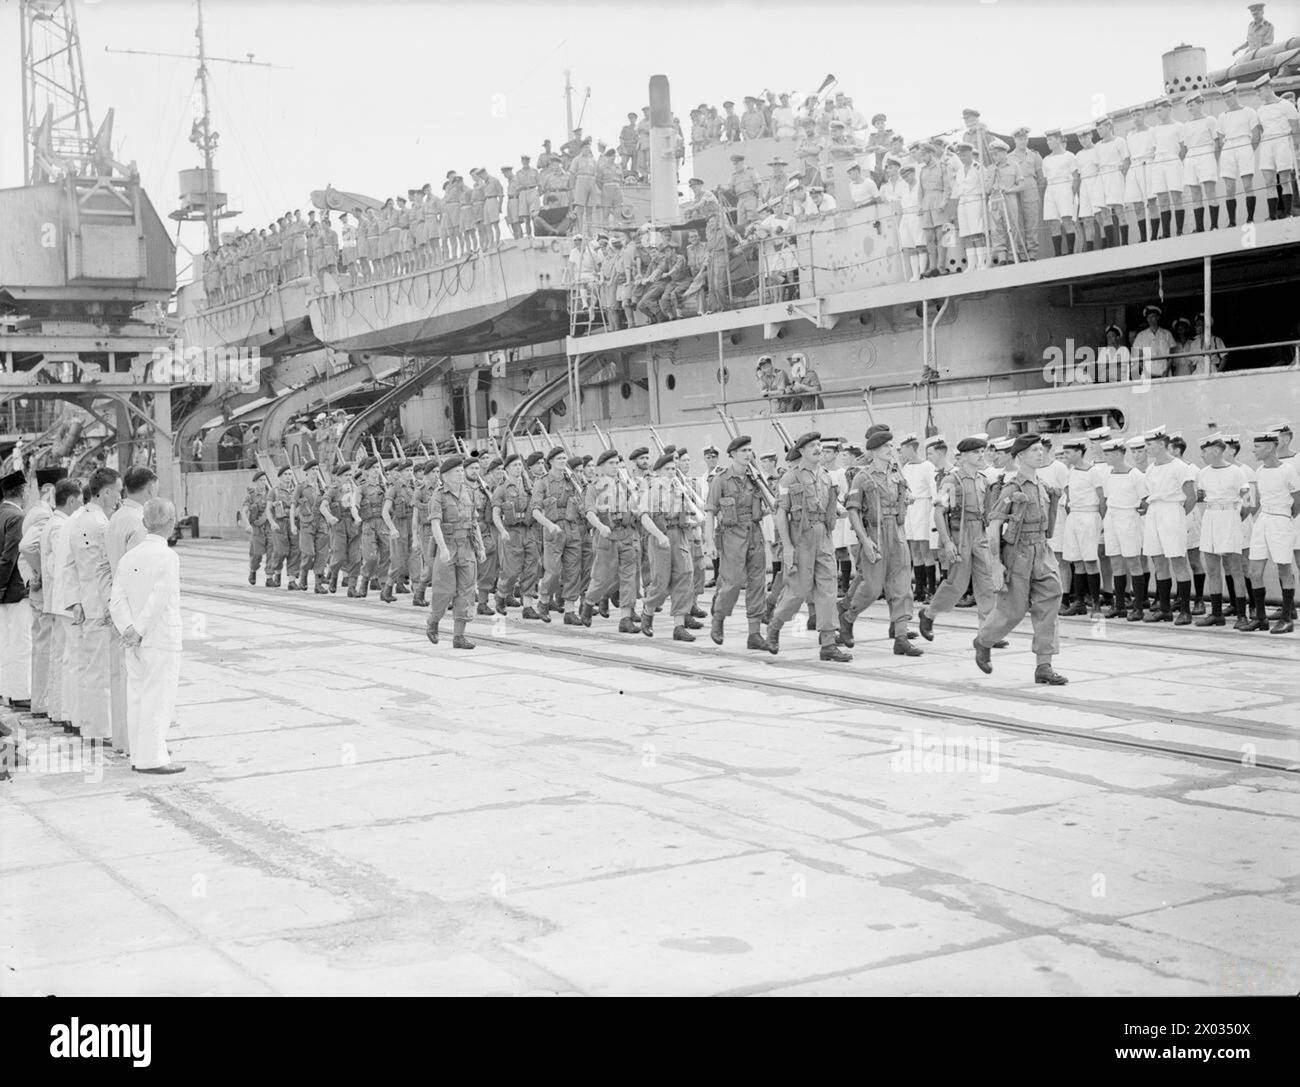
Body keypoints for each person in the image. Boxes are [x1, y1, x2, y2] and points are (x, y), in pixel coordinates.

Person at [972, 433, 1066, 684]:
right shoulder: (1011, 488)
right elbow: (994, 527)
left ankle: (1044, 665)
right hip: (1018, 554)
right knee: (1012, 611)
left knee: (1050, 602)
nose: (1040, 453)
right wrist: (996, 564)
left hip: (1042, 551)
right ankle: (984, 640)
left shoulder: (1043, 486)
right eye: (1034, 450)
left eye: (1041, 449)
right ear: (1021, 456)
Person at [108, 498, 185, 773]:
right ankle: (153, 758)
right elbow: (159, 598)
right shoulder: (168, 557)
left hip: (134, 641)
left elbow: (116, 599)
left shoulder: (130, 557)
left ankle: (139, 755)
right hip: (159, 637)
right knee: (159, 697)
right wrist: (138, 630)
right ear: (172, 523)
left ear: (144, 523)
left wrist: (128, 629)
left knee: (138, 696)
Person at [765, 432, 850, 661]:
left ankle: (828, 644)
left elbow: (832, 502)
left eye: (819, 445)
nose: (817, 449)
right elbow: (781, 514)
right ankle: (774, 626)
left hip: (823, 536)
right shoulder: (789, 478)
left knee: (828, 589)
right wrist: (788, 546)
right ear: (801, 451)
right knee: (798, 591)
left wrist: (840, 509)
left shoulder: (826, 476)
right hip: (800, 537)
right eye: (812, 445)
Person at [838, 428, 924, 655]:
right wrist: (865, 541)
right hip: (875, 534)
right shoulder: (862, 477)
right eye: (886, 447)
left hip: (897, 532)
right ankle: (848, 618)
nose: (891, 450)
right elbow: (853, 511)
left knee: (902, 587)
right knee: (872, 587)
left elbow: (905, 496)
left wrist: (907, 498)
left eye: (891, 447)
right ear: (874, 451)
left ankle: (901, 636)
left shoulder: (896, 474)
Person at [918, 435, 1000, 639]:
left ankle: (987, 633)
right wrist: (946, 542)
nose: (981, 455)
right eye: (976, 452)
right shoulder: (952, 481)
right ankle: (929, 614)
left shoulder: (983, 480)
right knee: (957, 584)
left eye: (982, 452)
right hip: (960, 535)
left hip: (979, 534)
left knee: (987, 584)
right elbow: (939, 512)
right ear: (962, 456)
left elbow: (988, 512)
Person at [67, 467, 121, 747]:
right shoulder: (101, 525)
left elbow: (70, 565)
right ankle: (101, 730)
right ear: (108, 491)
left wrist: (76, 600)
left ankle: (91, 725)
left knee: (90, 667)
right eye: (118, 491)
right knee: (101, 670)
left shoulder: (77, 519)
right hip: (99, 604)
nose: (119, 498)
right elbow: (105, 568)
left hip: (86, 600)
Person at [106, 465, 157, 755]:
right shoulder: (138, 522)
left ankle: (123, 740)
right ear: (150, 487)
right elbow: (141, 575)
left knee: (121, 678)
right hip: (134, 614)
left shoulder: (115, 518)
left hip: (117, 608)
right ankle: (138, 742)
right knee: (140, 680)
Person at [705, 435, 771, 650]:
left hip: (754, 531)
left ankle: (754, 633)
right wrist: (709, 542)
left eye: (750, 451)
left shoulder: (755, 478)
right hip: (732, 534)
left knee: (757, 582)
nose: (747, 455)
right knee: (731, 582)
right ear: (732, 454)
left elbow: (770, 504)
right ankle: (719, 619)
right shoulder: (721, 480)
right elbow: (710, 512)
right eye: (743, 451)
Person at [425, 456, 486, 648]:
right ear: (445, 475)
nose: (461, 474)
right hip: (448, 546)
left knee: (466, 592)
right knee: (445, 590)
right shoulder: (438, 496)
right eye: (457, 471)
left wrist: (481, 547)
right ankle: (433, 621)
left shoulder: (469, 492)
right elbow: (435, 524)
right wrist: (442, 549)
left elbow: (474, 523)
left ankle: (459, 637)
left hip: (466, 547)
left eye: (462, 470)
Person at [1141, 427, 1198, 623]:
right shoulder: (1150, 468)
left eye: (1149, 444)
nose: (1146, 448)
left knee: (1178, 561)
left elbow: (1191, 496)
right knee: (1158, 561)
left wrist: (1178, 516)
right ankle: (1164, 609)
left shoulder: (1179, 467)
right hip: (1154, 511)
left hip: (1172, 510)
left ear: (1161, 444)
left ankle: (1185, 611)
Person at [1193, 435, 1250, 627]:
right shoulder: (1203, 473)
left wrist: (1235, 519)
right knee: (1212, 568)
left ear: (1216, 451)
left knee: (1236, 568)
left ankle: (1242, 614)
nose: (1202, 455)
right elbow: (1201, 495)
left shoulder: (1236, 472)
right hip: (1210, 516)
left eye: (1205, 451)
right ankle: (1216, 613)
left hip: (1229, 515)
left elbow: (1249, 500)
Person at [1246, 431, 1298, 633]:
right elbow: (1255, 500)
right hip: (1263, 520)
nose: (1254, 450)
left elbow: (1298, 501)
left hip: (1281, 519)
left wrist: (1284, 518)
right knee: (1254, 571)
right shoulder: (1258, 471)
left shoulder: (1288, 470)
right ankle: (1261, 618)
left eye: (1257, 446)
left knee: (1284, 568)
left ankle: (1286, 618)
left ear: (1269, 447)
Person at [1097, 439, 1148, 619]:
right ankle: (1119, 605)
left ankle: (1139, 607)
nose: (1106, 457)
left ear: (1119, 453)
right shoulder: (1107, 474)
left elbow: (1145, 501)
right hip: (1112, 517)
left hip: (1128, 517)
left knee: (1133, 562)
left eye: (1108, 453)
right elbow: (1105, 498)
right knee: (1116, 562)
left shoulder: (1135, 475)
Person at [18, 483, 52, 719]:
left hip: (37, 590)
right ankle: (42, 702)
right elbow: (27, 546)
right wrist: (39, 573)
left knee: (42, 647)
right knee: (46, 648)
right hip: (43, 591)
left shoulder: (33, 512)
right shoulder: (43, 514)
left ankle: (41, 701)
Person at [0, 470, 31, 711]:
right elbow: (9, 558)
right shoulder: (18, 517)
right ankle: (20, 693)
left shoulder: (2, 513)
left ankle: (4, 690)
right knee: (20, 643)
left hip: (4, 591)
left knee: (5, 643)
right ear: (23, 491)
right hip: (14, 590)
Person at [1254, 75, 1299, 220]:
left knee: (1284, 179)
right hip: (1267, 144)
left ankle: (1288, 212)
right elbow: (1260, 131)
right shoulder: (1260, 110)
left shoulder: (1286, 105)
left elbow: (1295, 129)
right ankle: (1272, 215)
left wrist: (1295, 148)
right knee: (1269, 181)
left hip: (1282, 142)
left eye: (1259, 90)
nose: (1258, 94)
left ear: (1268, 87)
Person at [1218, 82, 1259, 227]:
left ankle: (1250, 219)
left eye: (1229, 96)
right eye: (1225, 97)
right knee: (1229, 188)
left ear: (1236, 94)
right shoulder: (1222, 116)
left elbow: (1255, 136)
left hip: (1244, 144)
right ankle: (1232, 221)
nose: (1227, 100)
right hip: (1228, 146)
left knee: (1247, 185)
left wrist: (1248, 151)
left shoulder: (1249, 112)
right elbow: (1220, 137)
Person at [1181, 92, 1221, 232]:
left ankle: (1214, 225)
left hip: (1206, 153)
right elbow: (1185, 147)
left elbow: (1217, 142)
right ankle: (1199, 227)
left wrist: (1214, 160)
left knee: (1210, 191)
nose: (1190, 108)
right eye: (1188, 106)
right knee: (1195, 193)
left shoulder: (1210, 120)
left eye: (1192, 105)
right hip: (1191, 155)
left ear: (1200, 104)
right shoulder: (1186, 125)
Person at [1149, 98, 1186, 238]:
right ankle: (1166, 233)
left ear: (1168, 108)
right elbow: (1154, 149)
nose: (1158, 113)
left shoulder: (1178, 126)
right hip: (1159, 161)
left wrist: (1175, 161)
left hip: (1173, 159)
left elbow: (1183, 149)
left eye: (1160, 110)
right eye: (1156, 111)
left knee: (1176, 197)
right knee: (1162, 199)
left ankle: (1179, 231)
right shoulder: (1155, 130)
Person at [1041, 129, 1079, 256]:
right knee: (1053, 222)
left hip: (1065, 186)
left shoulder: (1069, 156)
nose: (1048, 142)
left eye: (1051, 139)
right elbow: (1046, 179)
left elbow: (1076, 177)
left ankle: (1070, 252)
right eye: (1047, 140)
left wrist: (1071, 194)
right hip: (1051, 188)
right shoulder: (1046, 159)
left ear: (1058, 139)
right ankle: (1057, 253)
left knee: (1067, 220)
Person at [1009, 127, 1044, 259]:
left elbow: (1040, 177)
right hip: (1016, 190)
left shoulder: (1035, 155)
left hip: (1031, 189)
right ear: (1015, 140)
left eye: (1025, 138)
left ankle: (1032, 252)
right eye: (1020, 139)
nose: (1023, 141)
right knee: (1018, 223)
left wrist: (1037, 191)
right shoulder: (1009, 157)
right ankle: (1022, 253)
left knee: (1032, 222)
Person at [1131, 304, 1175, 379]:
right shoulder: (1141, 336)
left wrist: (1167, 370)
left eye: (1153, 317)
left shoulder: (1167, 334)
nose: (1150, 319)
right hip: (1148, 375)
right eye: (1148, 317)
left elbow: (1172, 354)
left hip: (1164, 373)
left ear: (1158, 317)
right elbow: (1138, 357)